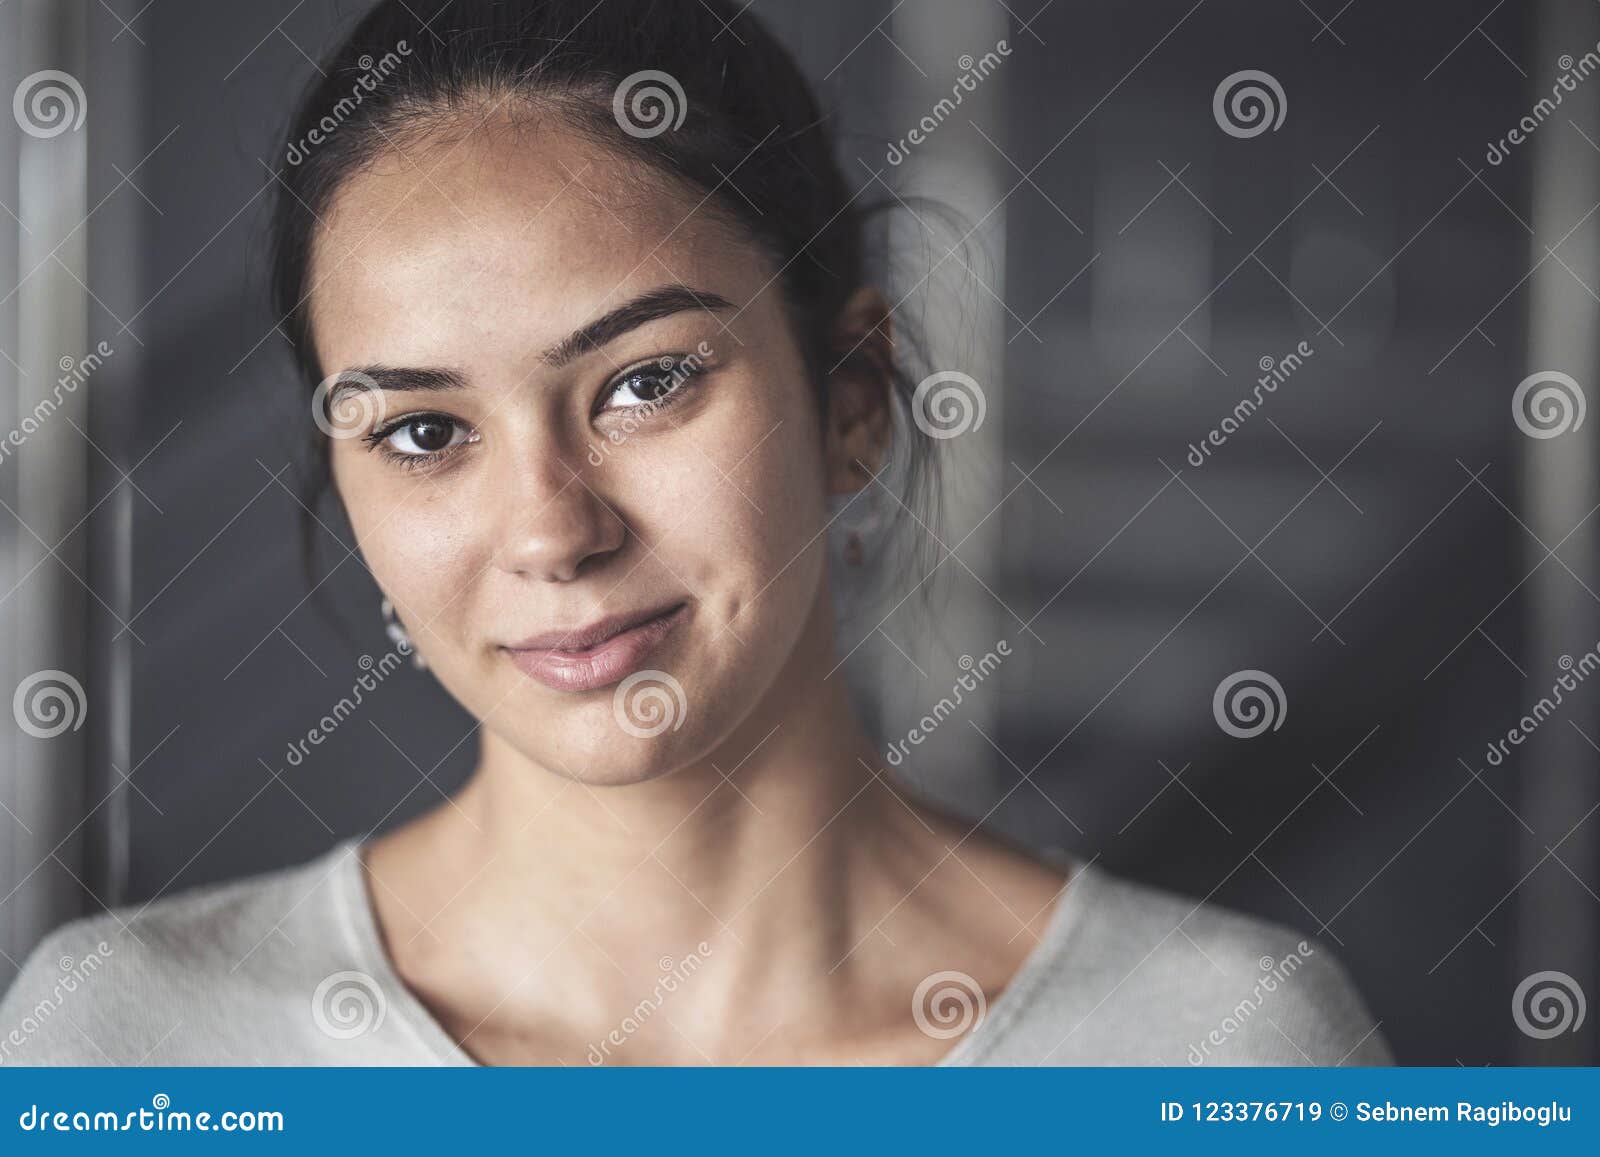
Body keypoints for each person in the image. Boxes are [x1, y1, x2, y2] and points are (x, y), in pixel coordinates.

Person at [0, 0, 1391, 1067]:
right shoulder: (126, 1043)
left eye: (646, 381)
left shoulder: (1221, 1046)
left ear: (850, 397)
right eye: (424, 431)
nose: (552, 528)